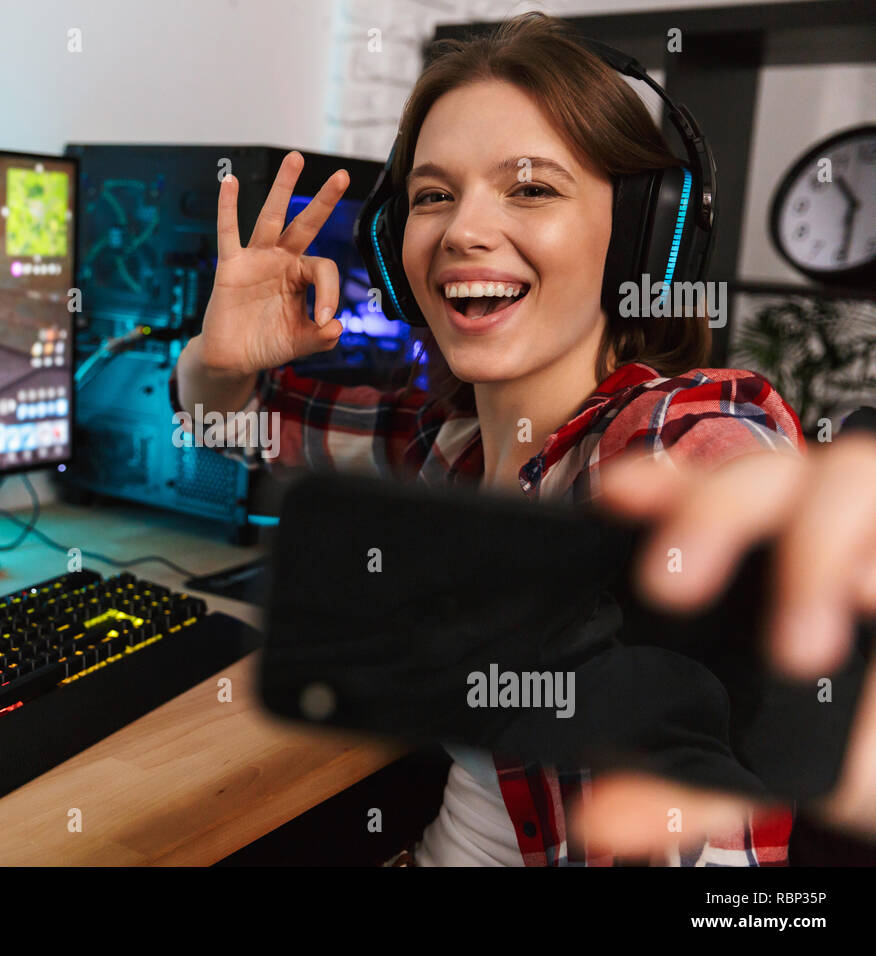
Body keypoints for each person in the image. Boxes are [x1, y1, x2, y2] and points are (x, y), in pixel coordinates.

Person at [171, 12, 855, 866]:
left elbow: (733, 472)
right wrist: (218, 359)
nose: (462, 231)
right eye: (432, 195)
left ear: (645, 237)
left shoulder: (662, 431)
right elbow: (225, 421)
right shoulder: (447, 452)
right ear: (394, 249)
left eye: (530, 187)